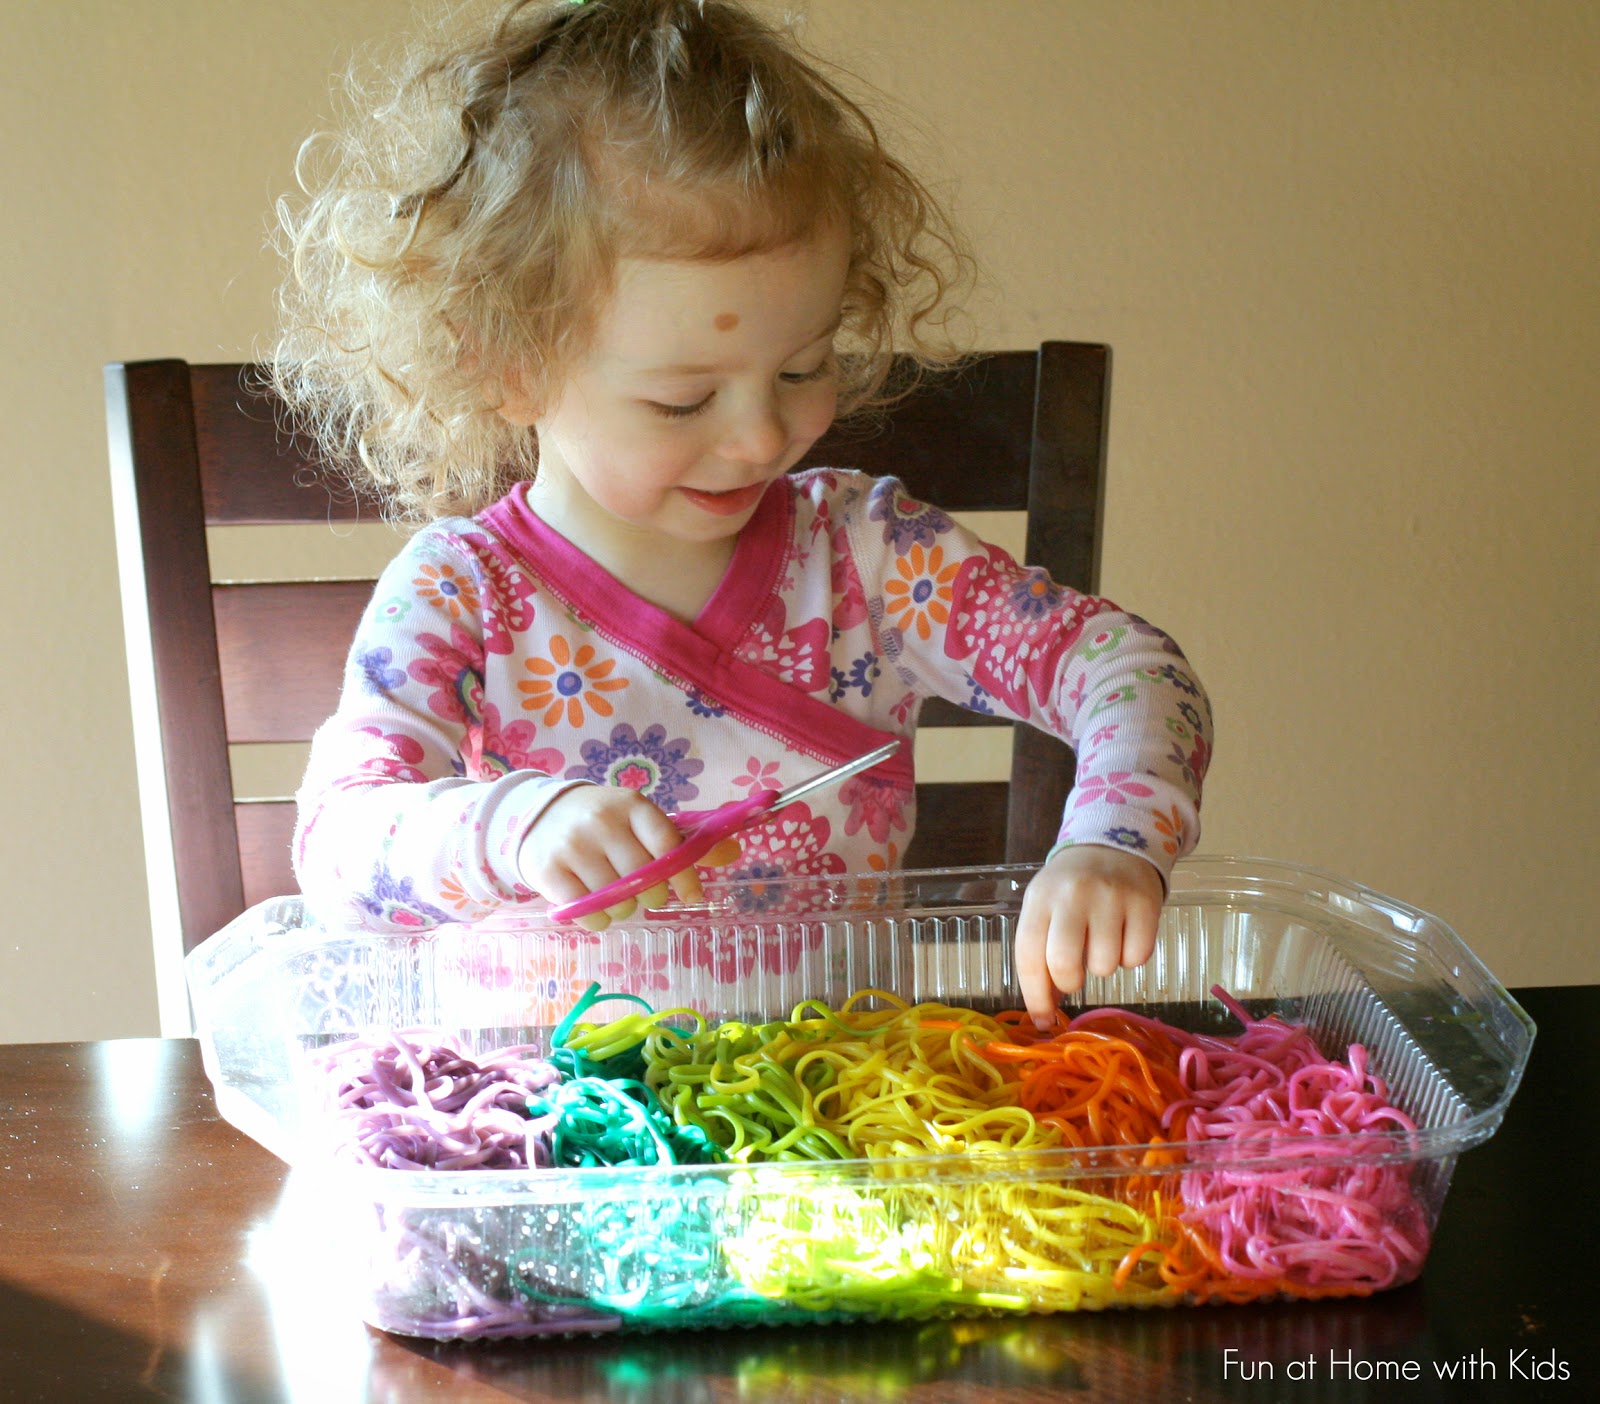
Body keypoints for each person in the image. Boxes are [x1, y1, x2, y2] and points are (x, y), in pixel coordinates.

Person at [274, 0, 1212, 1026]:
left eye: (803, 368)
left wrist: (1114, 839)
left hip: (839, 1097)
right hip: (529, 1106)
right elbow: (338, 847)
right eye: (683, 400)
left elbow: (1127, 668)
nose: (762, 437)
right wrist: (508, 826)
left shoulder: (869, 559)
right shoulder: (462, 591)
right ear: (506, 365)